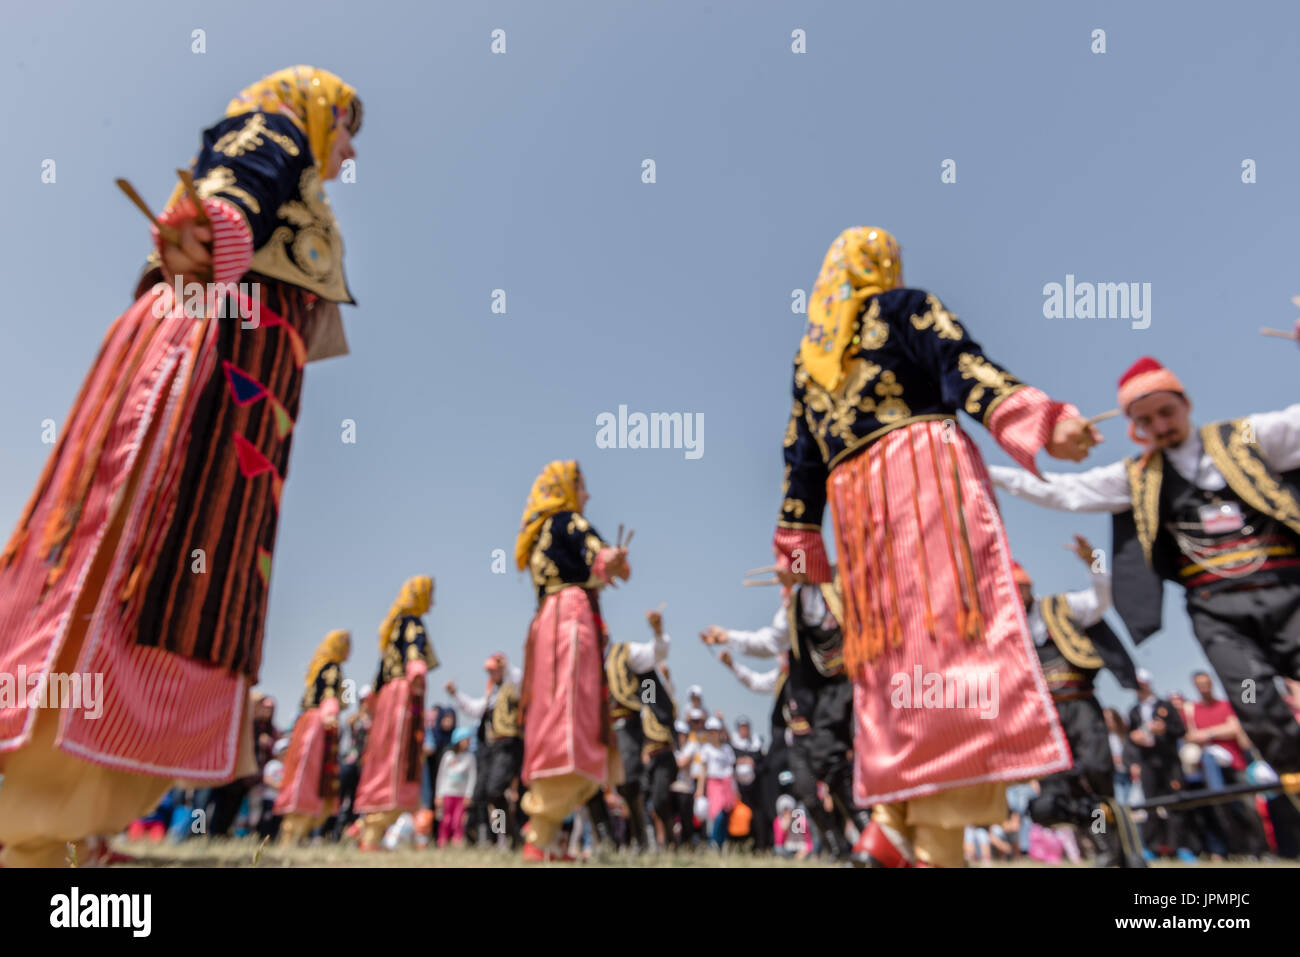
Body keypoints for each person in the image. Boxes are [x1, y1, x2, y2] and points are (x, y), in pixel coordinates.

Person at [0, 65, 363, 868]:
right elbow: (231, 193)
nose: (350, 145)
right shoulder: (273, 134)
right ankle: (25, 820)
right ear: (316, 106)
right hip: (202, 350)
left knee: (175, 581)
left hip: (234, 379)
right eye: (347, 122)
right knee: (129, 557)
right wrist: (213, 229)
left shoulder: (298, 167)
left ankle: (67, 828)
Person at [773, 227, 1095, 867]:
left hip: (857, 511)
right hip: (920, 478)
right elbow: (963, 369)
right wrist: (1043, 421)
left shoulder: (809, 360)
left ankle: (895, 825)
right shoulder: (904, 307)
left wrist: (799, 549)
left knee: (893, 661)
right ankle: (923, 840)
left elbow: (800, 465)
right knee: (956, 644)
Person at [990, 356, 1300, 792]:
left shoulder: (1244, 436)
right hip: (1219, 610)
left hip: (1288, 591)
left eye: (1166, 412)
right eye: (1145, 419)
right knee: (1254, 697)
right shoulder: (1139, 476)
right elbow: (1065, 491)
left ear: (1186, 404)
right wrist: (987, 474)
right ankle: (1294, 775)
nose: (1159, 425)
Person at [704, 577, 870, 858]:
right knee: (805, 793)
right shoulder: (783, 678)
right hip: (798, 742)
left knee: (838, 782)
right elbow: (757, 680)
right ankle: (837, 847)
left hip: (825, 727)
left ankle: (870, 842)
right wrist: (733, 662)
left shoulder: (819, 633)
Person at [515, 460, 630, 862]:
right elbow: (598, 557)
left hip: (546, 623)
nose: (587, 495)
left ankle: (546, 841)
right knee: (570, 719)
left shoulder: (539, 533)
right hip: (569, 623)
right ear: (567, 487)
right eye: (583, 486)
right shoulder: (568, 520)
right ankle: (539, 839)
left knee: (553, 717)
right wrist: (610, 561)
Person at [1012, 540, 1146, 867]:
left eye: (1022, 588)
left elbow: (1101, 601)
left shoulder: (1060, 607)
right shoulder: (1006, 628)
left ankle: (1123, 849)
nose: (1019, 595)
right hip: (1042, 717)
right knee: (1059, 787)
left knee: (1099, 773)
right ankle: (1102, 848)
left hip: (1080, 704)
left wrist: (1095, 563)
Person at [355, 576, 439, 851]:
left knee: (385, 757)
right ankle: (382, 830)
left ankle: (388, 831)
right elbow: (415, 657)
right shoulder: (412, 623)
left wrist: (370, 705)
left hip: (387, 700)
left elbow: (378, 677)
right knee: (399, 759)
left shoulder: (392, 629)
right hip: (404, 697)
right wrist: (416, 677)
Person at [603, 609, 672, 851]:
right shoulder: (582, 664)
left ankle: (641, 839)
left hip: (625, 725)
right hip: (596, 730)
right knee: (594, 785)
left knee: (629, 781)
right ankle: (609, 841)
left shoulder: (623, 652)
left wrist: (658, 632)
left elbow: (656, 653)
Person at [274, 630, 350, 845]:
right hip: (318, 728)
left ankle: (295, 833)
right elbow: (330, 698)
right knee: (310, 776)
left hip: (306, 723)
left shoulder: (316, 668)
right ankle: (296, 830)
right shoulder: (332, 668)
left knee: (301, 773)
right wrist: (330, 714)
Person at [1187, 671, 1267, 857]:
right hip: (1211, 769)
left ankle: (1260, 850)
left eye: (1206, 683)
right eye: (1200, 684)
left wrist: (1207, 734)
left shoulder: (1225, 705)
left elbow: (1235, 728)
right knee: (1222, 809)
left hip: (1237, 764)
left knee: (1249, 807)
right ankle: (1239, 850)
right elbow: (1191, 735)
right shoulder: (1193, 710)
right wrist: (1219, 731)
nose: (1204, 687)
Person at [448, 654, 523, 848]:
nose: (490, 673)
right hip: (491, 748)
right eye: (489, 671)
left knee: (496, 790)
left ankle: (508, 835)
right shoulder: (492, 693)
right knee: (487, 793)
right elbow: (474, 708)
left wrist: (506, 666)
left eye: (494, 669)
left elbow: (518, 679)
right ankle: (502, 836)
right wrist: (456, 694)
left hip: (508, 745)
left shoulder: (513, 686)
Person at [1128, 670, 1198, 862]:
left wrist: (1164, 729)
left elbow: (1180, 730)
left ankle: (1181, 846)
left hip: (1169, 763)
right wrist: (1134, 743)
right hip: (1147, 764)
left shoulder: (1165, 706)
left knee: (1176, 803)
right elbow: (1130, 739)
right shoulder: (1134, 711)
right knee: (1150, 805)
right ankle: (1153, 847)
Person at [435, 727, 477, 848]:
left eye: (469, 740)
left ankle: (457, 840)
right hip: (447, 793)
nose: (467, 742)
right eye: (465, 740)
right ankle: (442, 840)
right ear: (458, 740)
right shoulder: (448, 756)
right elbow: (441, 775)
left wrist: (469, 795)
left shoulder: (470, 758)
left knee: (458, 819)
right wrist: (438, 795)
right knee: (446, 818)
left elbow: (472, 777)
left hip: (461, 795)